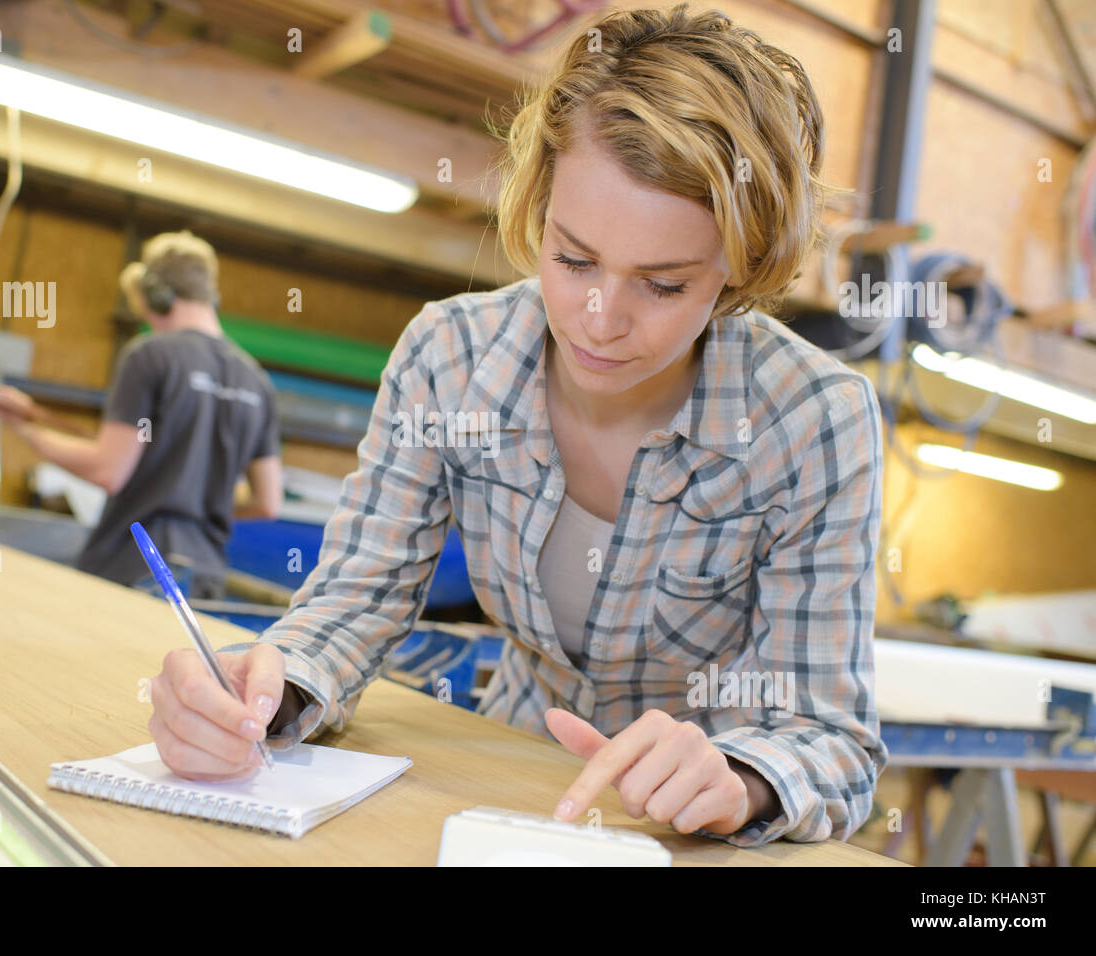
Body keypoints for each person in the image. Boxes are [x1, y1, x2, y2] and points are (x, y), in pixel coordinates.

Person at [146, 5, 887, 847]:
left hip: (692, 841)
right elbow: (354, 601)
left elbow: (833, 739)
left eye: (665, 285)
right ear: (538, 204)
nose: (600, 320)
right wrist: (263, 692)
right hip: (504, 788)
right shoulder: (449, 358)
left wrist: (745, 780)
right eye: (573, 260)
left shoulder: (814, 420)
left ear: (741, 268)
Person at [0, 230, 283, 590]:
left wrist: (25, 429)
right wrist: (199, 493)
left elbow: (109, 470)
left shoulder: (150, 356)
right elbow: (267, 502)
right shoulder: (257, 382)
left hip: (137, 568)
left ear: (158, 296)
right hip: (205, 575)